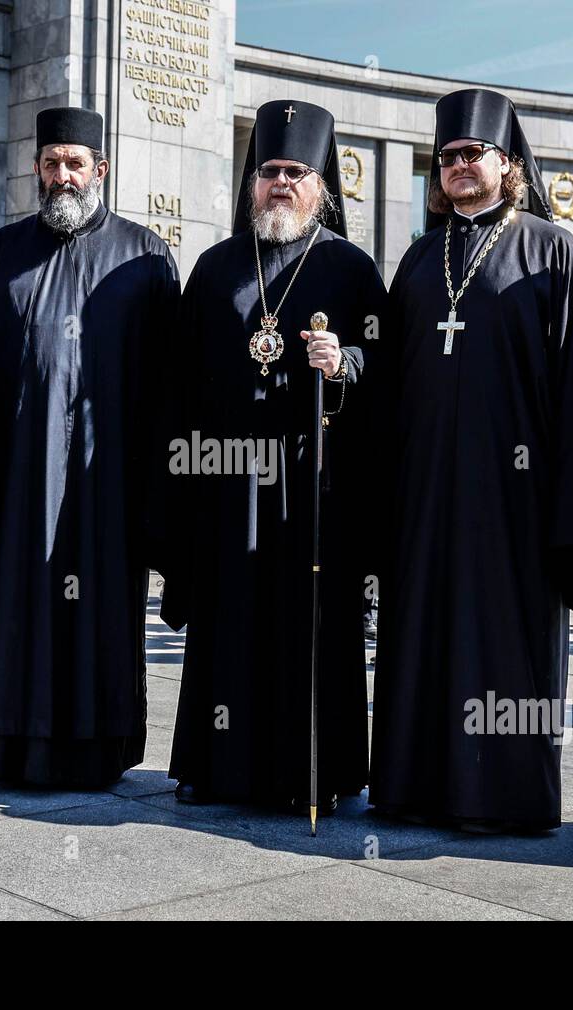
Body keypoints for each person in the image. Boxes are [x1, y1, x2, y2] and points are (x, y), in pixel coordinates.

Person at [367, 88, 573, 832]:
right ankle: (413, 787)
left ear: (508, 164)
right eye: (448, 158)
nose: (460, 167)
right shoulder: (417, 259)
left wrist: (572, 506)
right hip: (424, 493)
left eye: (474, 154)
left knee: (506, 643)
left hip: (517, 501)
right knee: (421, 637)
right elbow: (383, 383)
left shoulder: (552, 250)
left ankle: (506, 797)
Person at [162, 99, 386, 812]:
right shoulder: (216, 266)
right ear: (250, 183)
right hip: (227, 482)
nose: (280, 184)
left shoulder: (350, 268)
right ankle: (214, 764)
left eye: (295, 172)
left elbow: (388, 362)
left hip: (312, 484)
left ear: (321, 184)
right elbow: (181, 381)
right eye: (268, 172)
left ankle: (318, 772)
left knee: (311, 623)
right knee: (227, 619)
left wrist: (344, 359)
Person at [0, 107, 180, 788]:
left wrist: (157, 474)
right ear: (35, 170)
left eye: (74, 164)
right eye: (50, 163)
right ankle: (10, 745)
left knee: (100, 616)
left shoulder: (144, 255)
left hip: (106, 482)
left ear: (100, 170)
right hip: (18, 479)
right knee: (16, 610)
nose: (60, 176)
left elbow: (169, 374)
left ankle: (95, 747)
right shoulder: (1, 253)